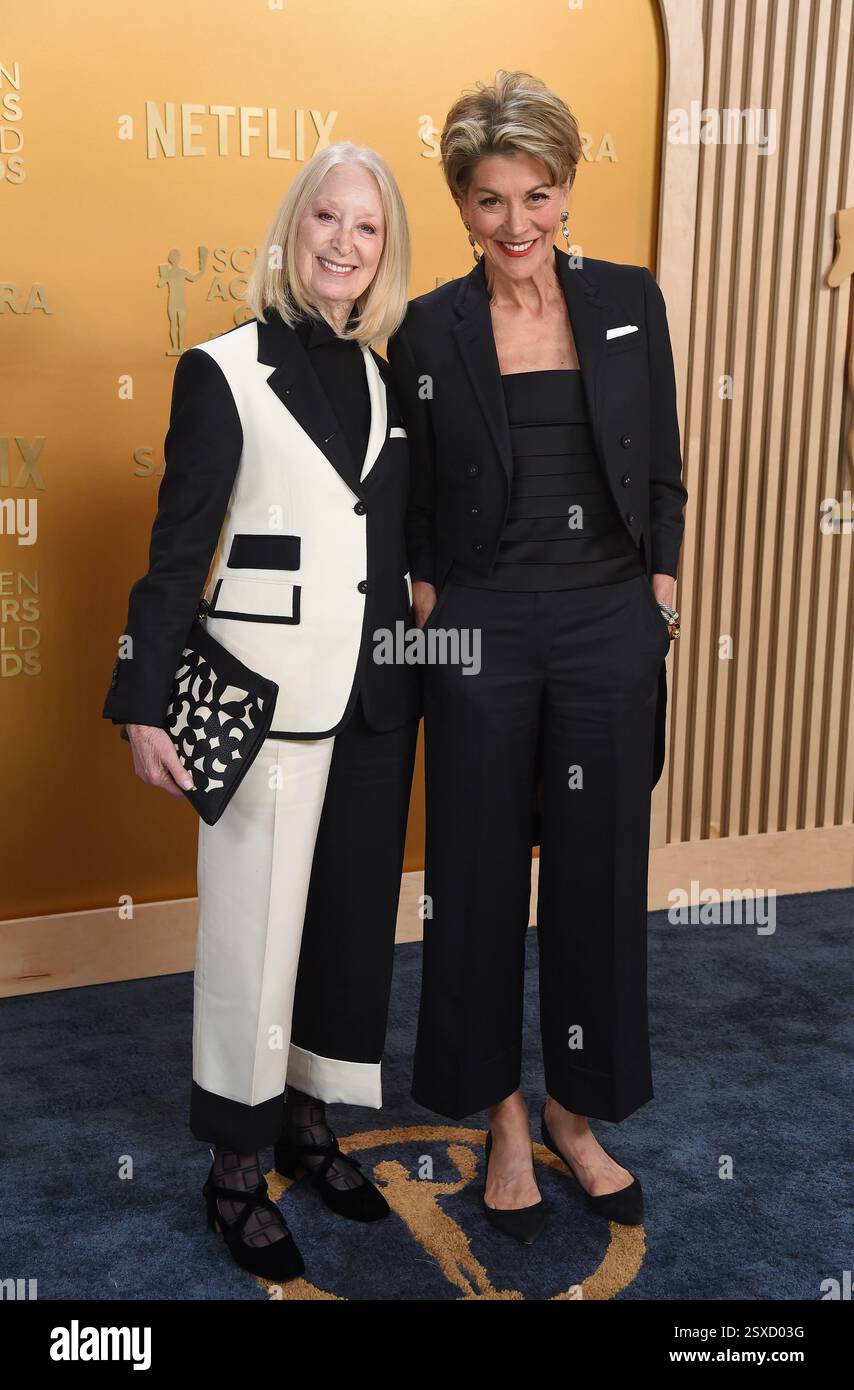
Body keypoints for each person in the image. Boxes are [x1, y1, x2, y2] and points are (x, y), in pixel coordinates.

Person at [103, 142, 420, 1280]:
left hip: (375, 700)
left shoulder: (388, 381)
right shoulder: (222, 368)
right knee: (252, 938)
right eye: (326, 218)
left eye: (367, 227)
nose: (343, 241)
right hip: (263, 705)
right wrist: (146, 702)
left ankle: (310, 1126)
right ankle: (234, 1167)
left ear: (385, 252)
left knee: (343, 933)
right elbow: (176, 549)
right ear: (293, 228)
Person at [387, 71, 688, 1244]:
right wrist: (428, 604)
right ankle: (499, 1117)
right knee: (469, 879)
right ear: (460, 205)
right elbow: (410, 494)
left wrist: (658, 594)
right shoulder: (428, 325)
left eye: (537, 193)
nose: (516, 224)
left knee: (597, 878)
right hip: (483, 629)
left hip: (607, 621)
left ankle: (574, 1111)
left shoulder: (625, 301)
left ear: (566, 188)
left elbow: (658, 462)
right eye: (488, 199)